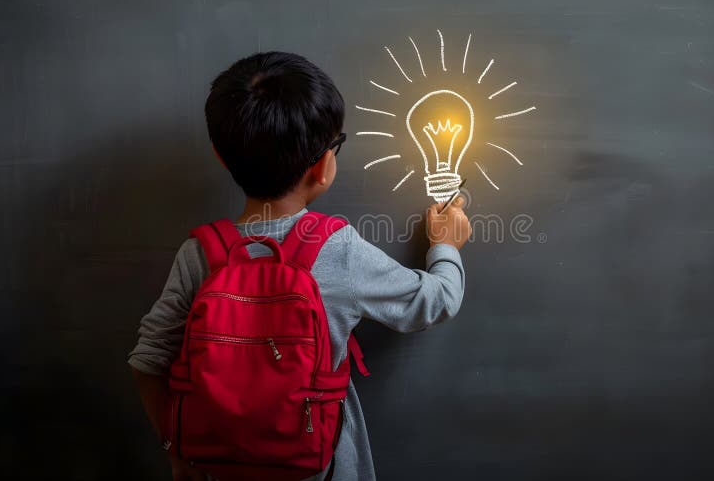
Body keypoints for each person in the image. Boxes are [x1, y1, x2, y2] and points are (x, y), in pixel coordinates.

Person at [127, 51, 470, 481]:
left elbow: (147, 360)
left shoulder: (199, 254)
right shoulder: (338, 249)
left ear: (219, 155)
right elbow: (436, 301)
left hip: (220, 467)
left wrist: (175, 450)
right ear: (323, 167)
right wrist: (445, 245)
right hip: (320, 466)